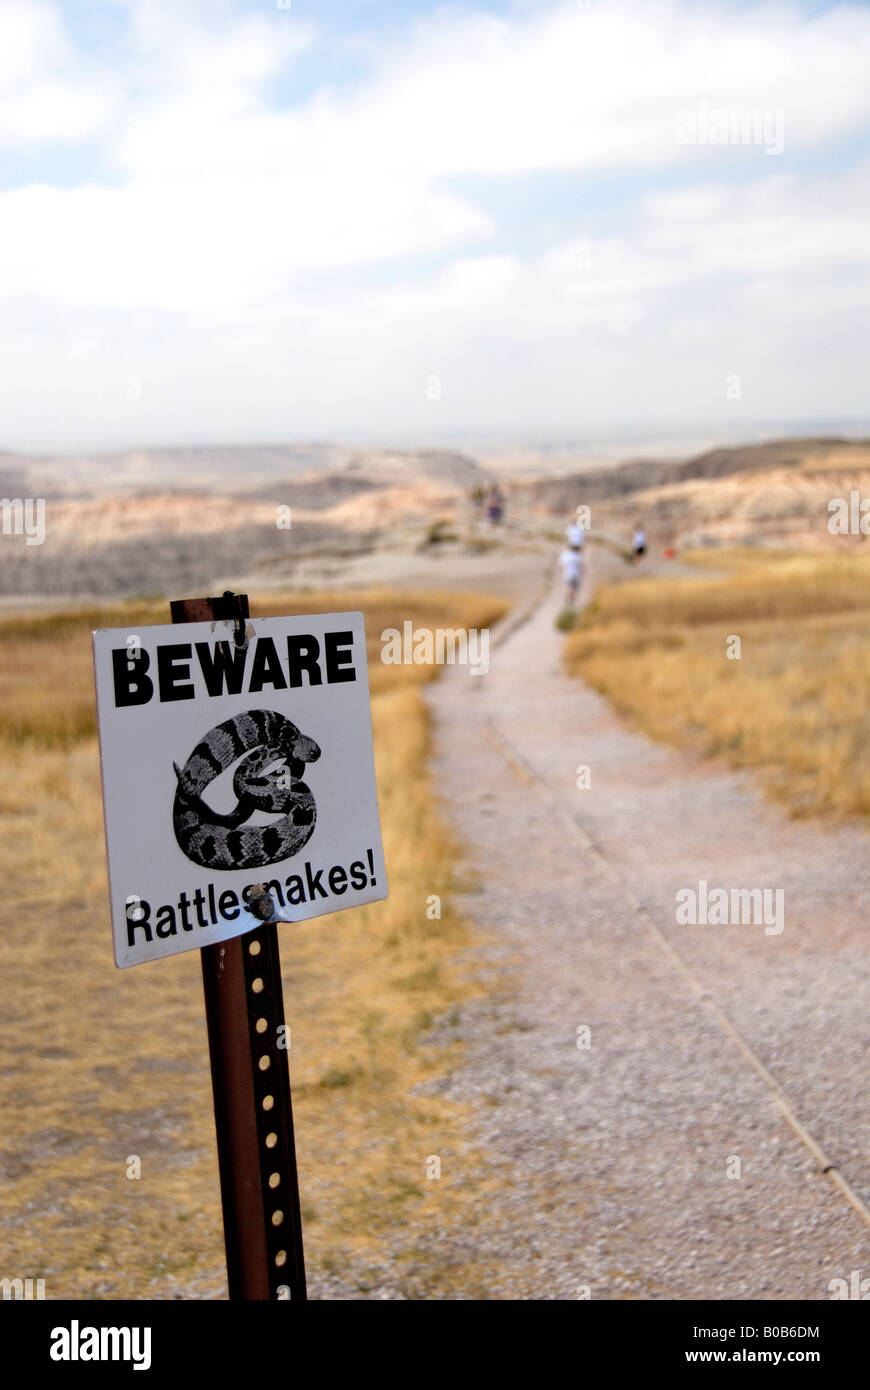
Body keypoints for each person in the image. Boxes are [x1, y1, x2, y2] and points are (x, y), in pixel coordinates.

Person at [559, 542, 583, 606]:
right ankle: (572, 602)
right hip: (575, 574)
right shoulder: (577, 556)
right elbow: (580, 566)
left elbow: (562, 565)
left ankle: (567, 601)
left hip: (567, 574)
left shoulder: (566, 556)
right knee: (574, 588)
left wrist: (561, 572)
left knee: (567, 587)